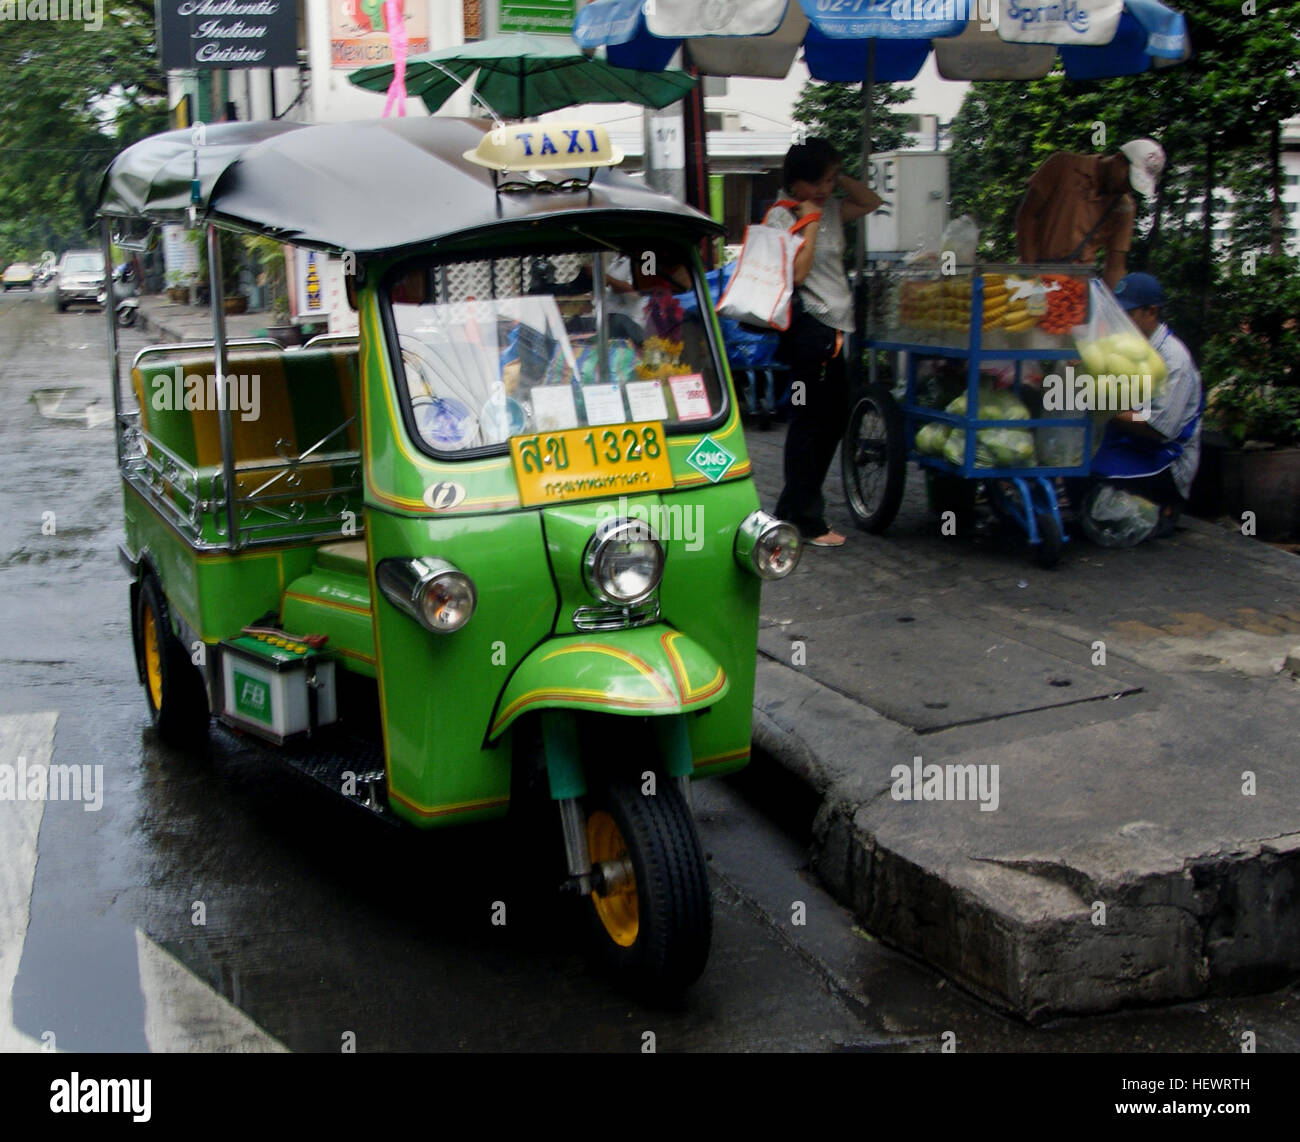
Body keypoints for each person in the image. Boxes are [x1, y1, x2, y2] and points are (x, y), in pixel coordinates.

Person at [765, 138, 882, 547]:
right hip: (812, 326)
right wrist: (810, 219)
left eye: (831, 180)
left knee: (832, 421)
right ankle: (802, 518)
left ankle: (794, 510)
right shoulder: (781, 217)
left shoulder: (831, 205)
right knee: (809, 423)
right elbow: (797, 274)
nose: (827, 189)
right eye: (819, 180)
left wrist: (837, 177)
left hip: (839, 326)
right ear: (796, 182)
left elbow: (870, 201)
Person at [1098, 271, 1203, 535]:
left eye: (1128, 315)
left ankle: (1164, 508)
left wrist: (1107, 411)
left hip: (1166, 459)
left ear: (1151, 312)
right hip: (1130, 444)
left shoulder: (1173, 360)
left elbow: (1157, 427)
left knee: (1090, 476)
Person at [1016, 139, 1165, 288]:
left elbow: (1115, 266)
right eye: (1127, 179)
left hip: (1076, 288)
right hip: (1036, 271)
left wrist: (1110, 305)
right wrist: (1031, 274)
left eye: (1132, 186)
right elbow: (1027, 216)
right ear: (1119, 159)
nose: (1126, 187)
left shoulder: (1123, 208)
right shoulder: (1064, 166)